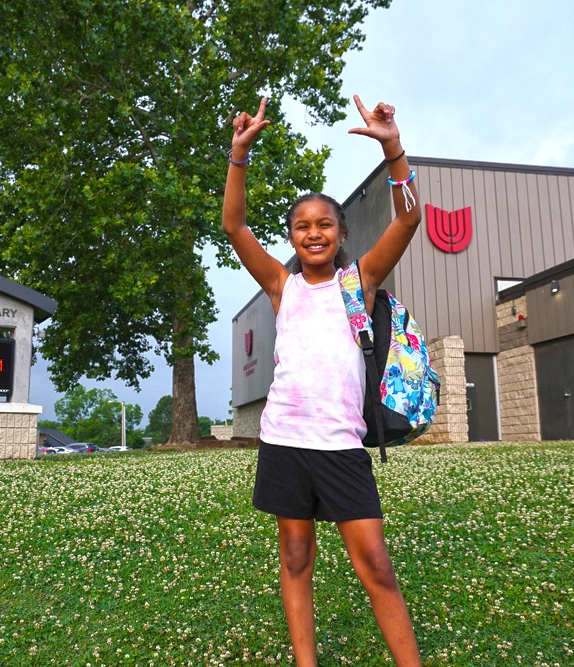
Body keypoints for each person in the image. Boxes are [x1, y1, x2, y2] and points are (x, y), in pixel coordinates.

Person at [222, 95, 423, 666]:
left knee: (376, 564)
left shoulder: (359, 281)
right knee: (294, 556)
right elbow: (233, 225)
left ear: (340, 231)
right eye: (302, 227)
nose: (314, 234)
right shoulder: (282, 287)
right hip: (285, 441)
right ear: (291, 237)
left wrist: (393, 149)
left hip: (339, 446)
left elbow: (408, 218)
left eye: (325, 224)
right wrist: (239, 157)